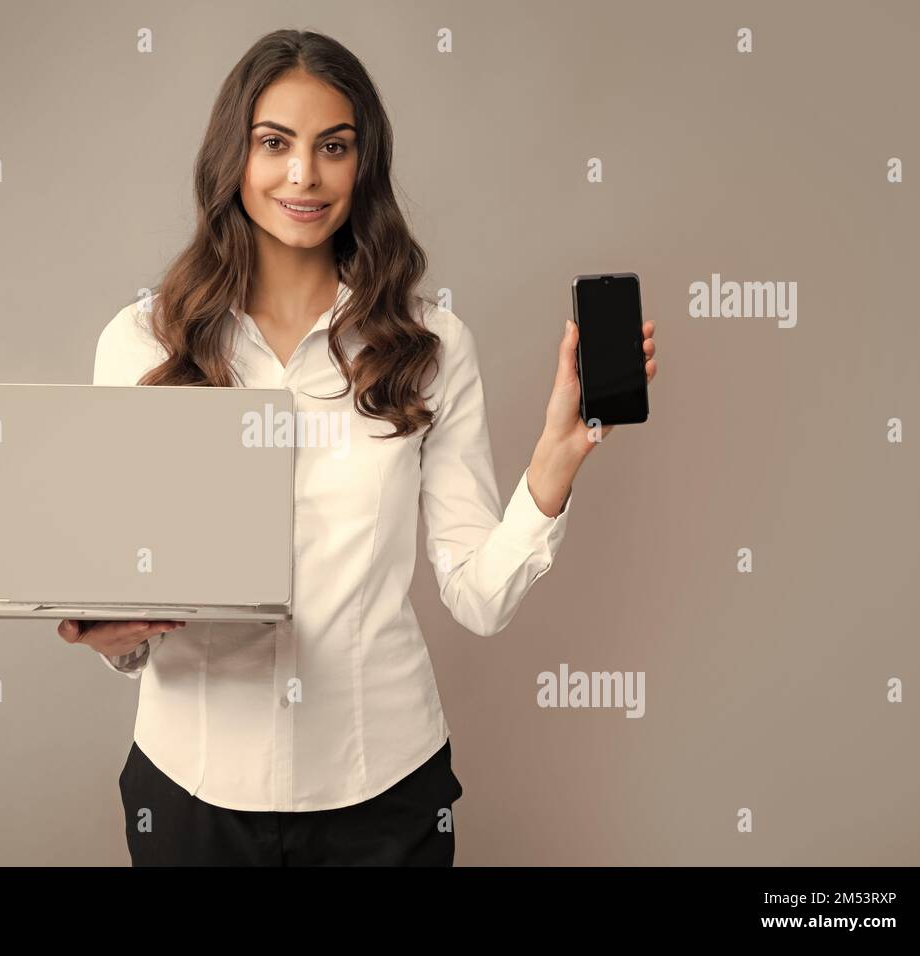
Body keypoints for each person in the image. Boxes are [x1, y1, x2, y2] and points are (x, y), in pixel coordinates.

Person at [58, 29, 657, 866]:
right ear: (234, 156)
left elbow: (479, 598)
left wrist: (556, 457)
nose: (302, 175)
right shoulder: (140, 344)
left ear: (362, 166)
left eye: (332, 148)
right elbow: (132, 604)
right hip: (190, 790)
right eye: (275, 144)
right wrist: (109, 630)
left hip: (384, 791)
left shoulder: (432, 346)